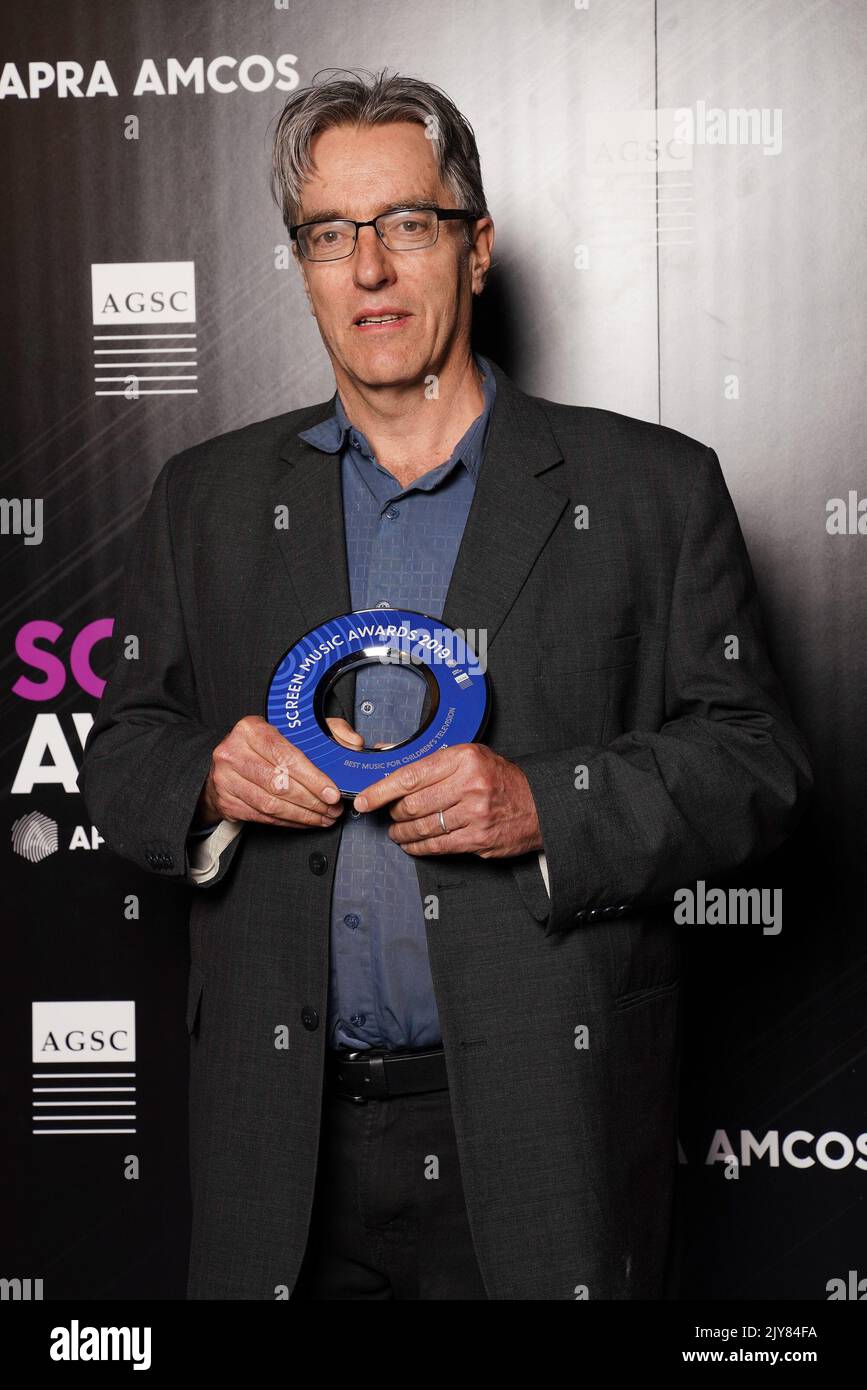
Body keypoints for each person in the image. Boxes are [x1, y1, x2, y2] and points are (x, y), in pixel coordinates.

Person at [78, 68, 813, 1300]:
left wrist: (548, 806)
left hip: (541, 1132)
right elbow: (120, 745)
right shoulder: (201, 499)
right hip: (281, 1142)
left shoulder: (650, 488)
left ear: (476, 248)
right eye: (330, 234)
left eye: (407, 224)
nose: (369, 269)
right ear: (303, 264)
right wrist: (205, 776)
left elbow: (757, 761)